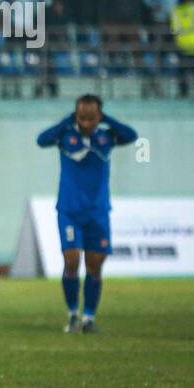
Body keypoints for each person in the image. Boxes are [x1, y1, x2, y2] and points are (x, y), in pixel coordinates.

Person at [36, 94, 139, 332]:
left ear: (99, 115)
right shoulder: (65, 136)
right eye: (81, 115)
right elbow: (41, 140)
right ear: (76, 114)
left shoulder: (106, 137)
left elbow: (131, 135)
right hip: (70, 210)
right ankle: (73, 314)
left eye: (91, 116)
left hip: (98, 211)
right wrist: (67, 121)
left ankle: (89, 319)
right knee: (71, 260)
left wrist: (107, 120)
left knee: (95, 265)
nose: (86, 121)